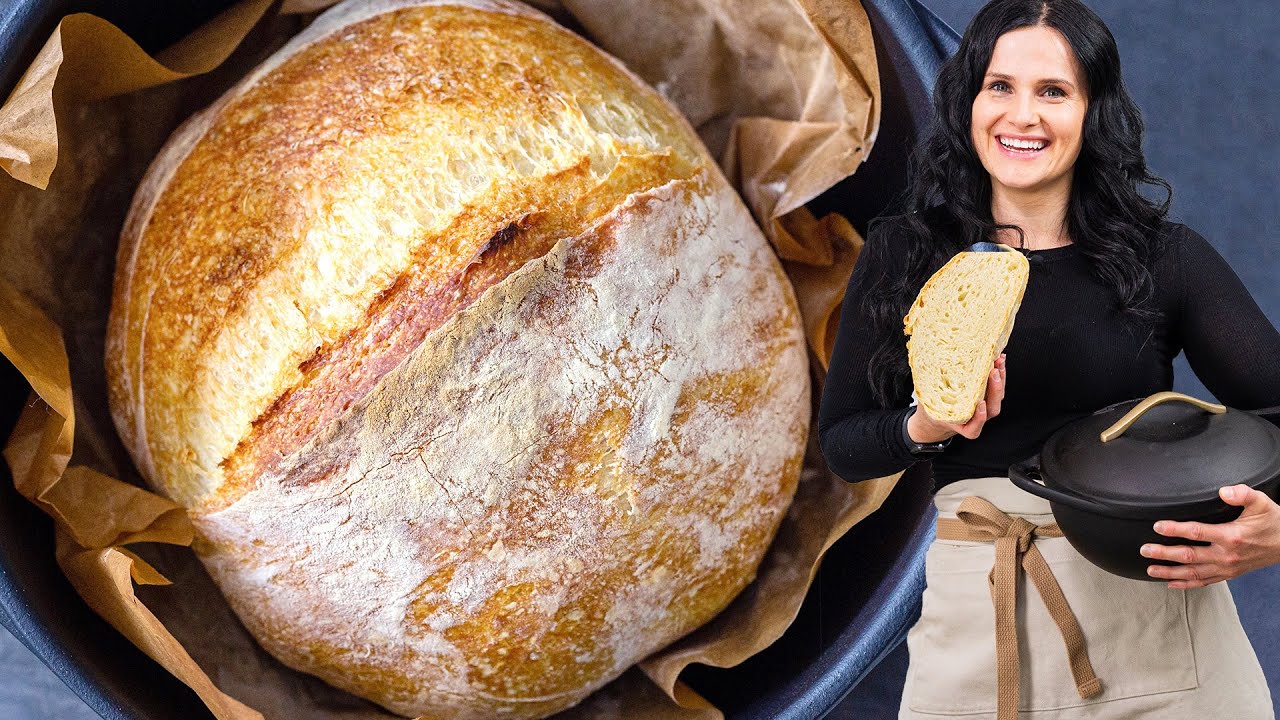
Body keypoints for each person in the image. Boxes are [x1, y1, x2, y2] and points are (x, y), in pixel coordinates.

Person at [818, 0, 1280, 718]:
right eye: (999, 87)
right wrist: (928, 424)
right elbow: (844, 443)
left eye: (1053, 92)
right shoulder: (907, 255)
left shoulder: (1162, 257)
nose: (1022, 116)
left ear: (1092, 112)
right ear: (969, 99)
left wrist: (1278, 526)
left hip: (1157, 623)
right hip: (978, 628)